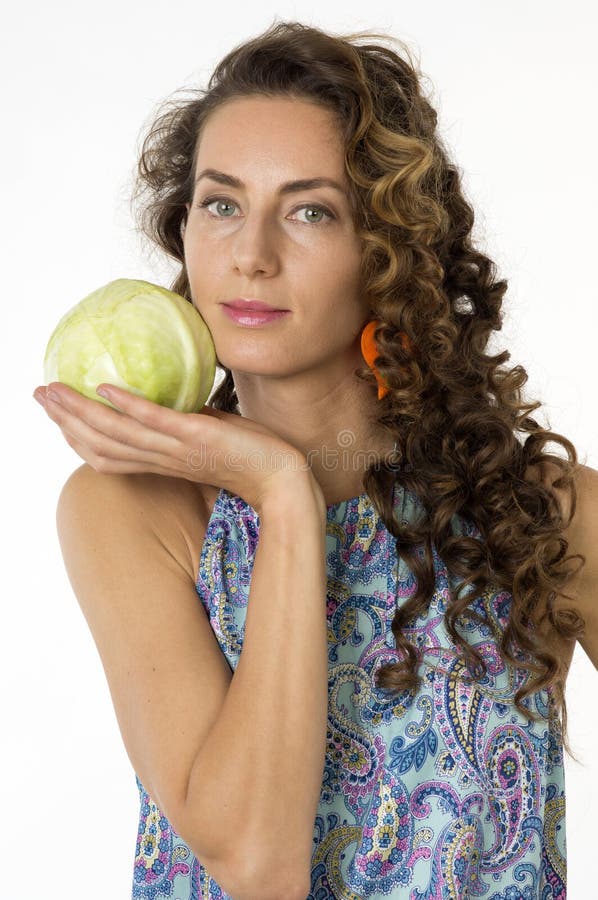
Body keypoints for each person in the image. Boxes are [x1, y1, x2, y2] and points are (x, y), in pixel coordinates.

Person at [32, 19, 597, 900]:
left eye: (310, 211)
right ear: (183, 230)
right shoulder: (135, 513)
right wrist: (280, 491)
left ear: (388, 249)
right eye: (221, 203)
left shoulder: (542, 513)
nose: (250, 256)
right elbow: (256, 865)